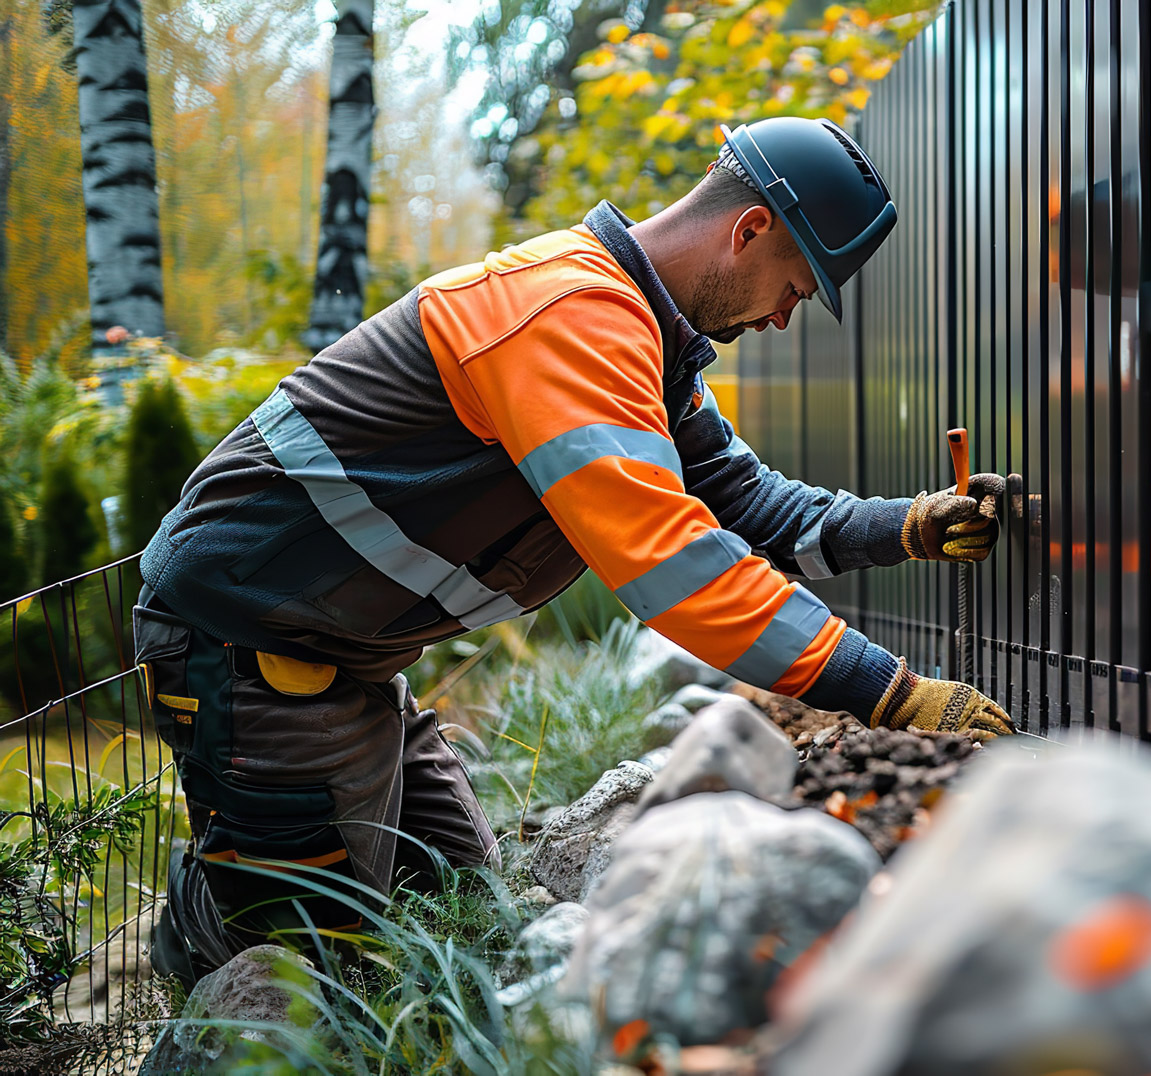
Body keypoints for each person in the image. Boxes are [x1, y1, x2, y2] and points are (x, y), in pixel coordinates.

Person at [132, 117, 1013, 985]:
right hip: (245, 637)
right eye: (795, 287)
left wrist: (908, 527)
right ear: (750, 232)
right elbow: (673, 565)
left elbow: (750, 506)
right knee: (323, 959)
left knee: (462, 905)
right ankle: (202, 910)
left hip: (344, 652)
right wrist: (891, 694)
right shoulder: (570, 313)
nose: (785, 319)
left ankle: (264, 836)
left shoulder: (646, 345)